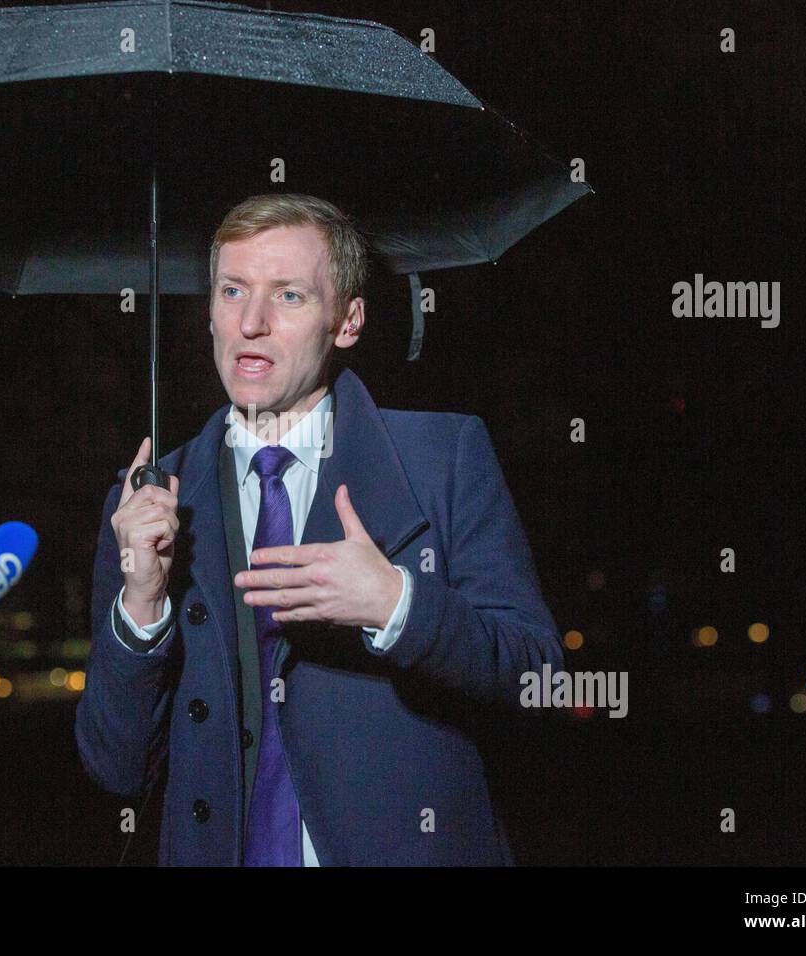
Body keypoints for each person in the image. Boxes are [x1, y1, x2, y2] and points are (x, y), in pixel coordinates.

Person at [76, 193, 562, 865]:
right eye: (232, 291)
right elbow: (118, 768)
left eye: (290, 296)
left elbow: (538, 677)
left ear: (347, 320)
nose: (252, 322)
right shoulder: (146, 505)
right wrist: (142, 605)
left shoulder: (441, 458)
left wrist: (399, 606)